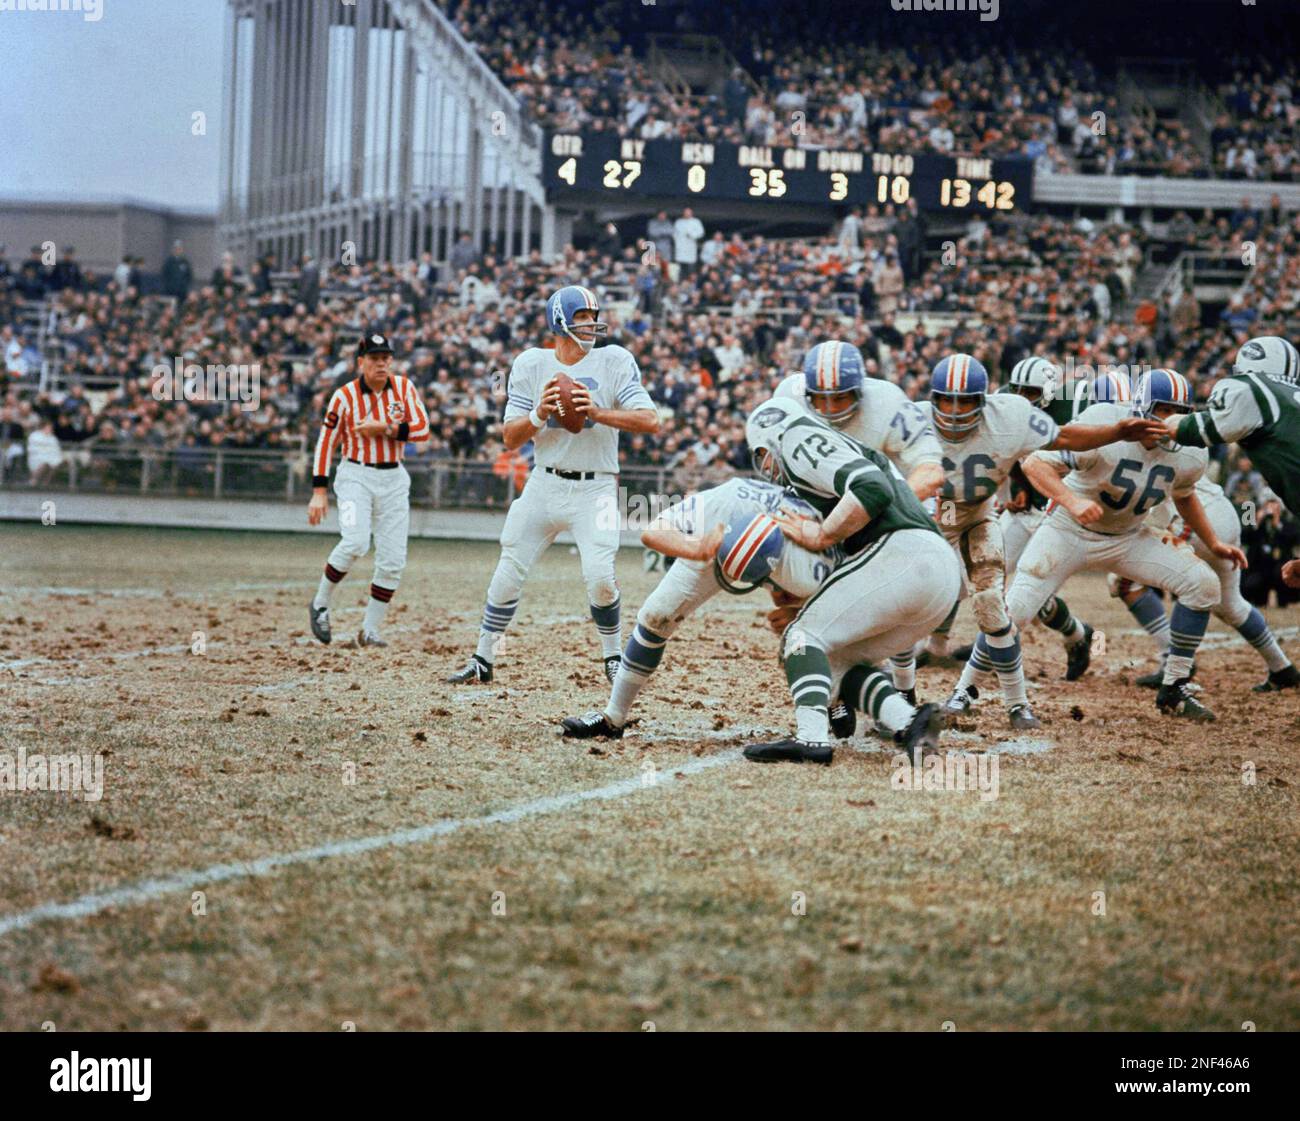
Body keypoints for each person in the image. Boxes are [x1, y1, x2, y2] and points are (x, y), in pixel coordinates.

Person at [932, 357, 1165, 728]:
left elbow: (1072, 446)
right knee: (1001, 593)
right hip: (1035, 514)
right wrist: (1016, 490)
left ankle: (967, 675)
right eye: (1018, 391)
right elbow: (1006, 454)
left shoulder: (1081, 408)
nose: (1023, 397)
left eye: (1031, 392)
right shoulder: (1006, 409)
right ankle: (1074, 634)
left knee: (1006, 597)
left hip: (1065, 515)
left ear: (1051, 391)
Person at [447, 286, 660, 685]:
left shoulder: (614, 360)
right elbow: (510, 437)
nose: (593, 323)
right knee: (509, 566)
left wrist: (596, 412)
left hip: (595, 486)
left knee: (599, 577)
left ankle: (613, 657)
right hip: (544, 482)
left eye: (594, 315)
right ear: (560, 321)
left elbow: (650, 420)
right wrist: (540, 414)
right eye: (583, 316)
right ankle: (483, 657)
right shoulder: (531, 363)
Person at [1011, 370, 1247, 721]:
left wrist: (1212, 541)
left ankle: (1175, 687)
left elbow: (1184, 495)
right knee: (1014, 609)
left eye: (1178, 411)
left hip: (1127, 536)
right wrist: (1071, 502)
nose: (1171, 421)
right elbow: (1035, 461)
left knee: (1205, 584)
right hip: (1070, 529)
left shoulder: (1189, 452)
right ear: (1140, 408)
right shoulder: (1105, 425)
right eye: (1164, 410)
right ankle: (967, 690)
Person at [740, 396, 963, 765]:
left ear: (773, 433)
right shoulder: (829, 452)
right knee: (835, 659)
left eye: (762, 453)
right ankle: (911, 723)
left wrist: (820, 534)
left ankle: (811, 740)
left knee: (801, 636)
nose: (765, 464)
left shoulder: (796, 437)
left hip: (904, 554)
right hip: (933, 576)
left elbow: (871, 488)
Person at [559, 477, 836, 740]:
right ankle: (613, 716)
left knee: (810, 630)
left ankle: (836, 697)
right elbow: (653, 531)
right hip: (714, 544)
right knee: (656, 616)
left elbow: (843, 613)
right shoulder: (723, 502)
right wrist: (696, 548)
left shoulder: (809, 563)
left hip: (786, 550)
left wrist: (797, 609)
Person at [307, 333, 430, 647]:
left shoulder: (403, 388)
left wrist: (386, 429)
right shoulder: (344, 396)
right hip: (354, 476)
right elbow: (325, 443)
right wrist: (319, 489)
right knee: (356, 541)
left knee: (392, 561)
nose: (382, 364)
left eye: (386, 358)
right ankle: (320, 603)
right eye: (375, 359)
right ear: (360, 362)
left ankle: (370, 630)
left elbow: (423, 429)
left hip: (394, 479)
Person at [1165, 336, 1300, 594]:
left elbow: (1198, 430)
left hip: (1252, 504)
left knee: (1252, 532)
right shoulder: (1288, 405)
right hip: (1248, 504)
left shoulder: (1252, 388)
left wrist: (1161, 424)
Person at [673, 207, 704, 277]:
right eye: (686, 212)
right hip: (680, 250)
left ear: (692, 213)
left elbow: (701, 233)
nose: (687, 214)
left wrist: (692, 235)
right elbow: (674, 234)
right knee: (679, 270)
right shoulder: (678, 222)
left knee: (690, 270)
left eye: (689, 212)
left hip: (691, 249)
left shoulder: (696, 221)